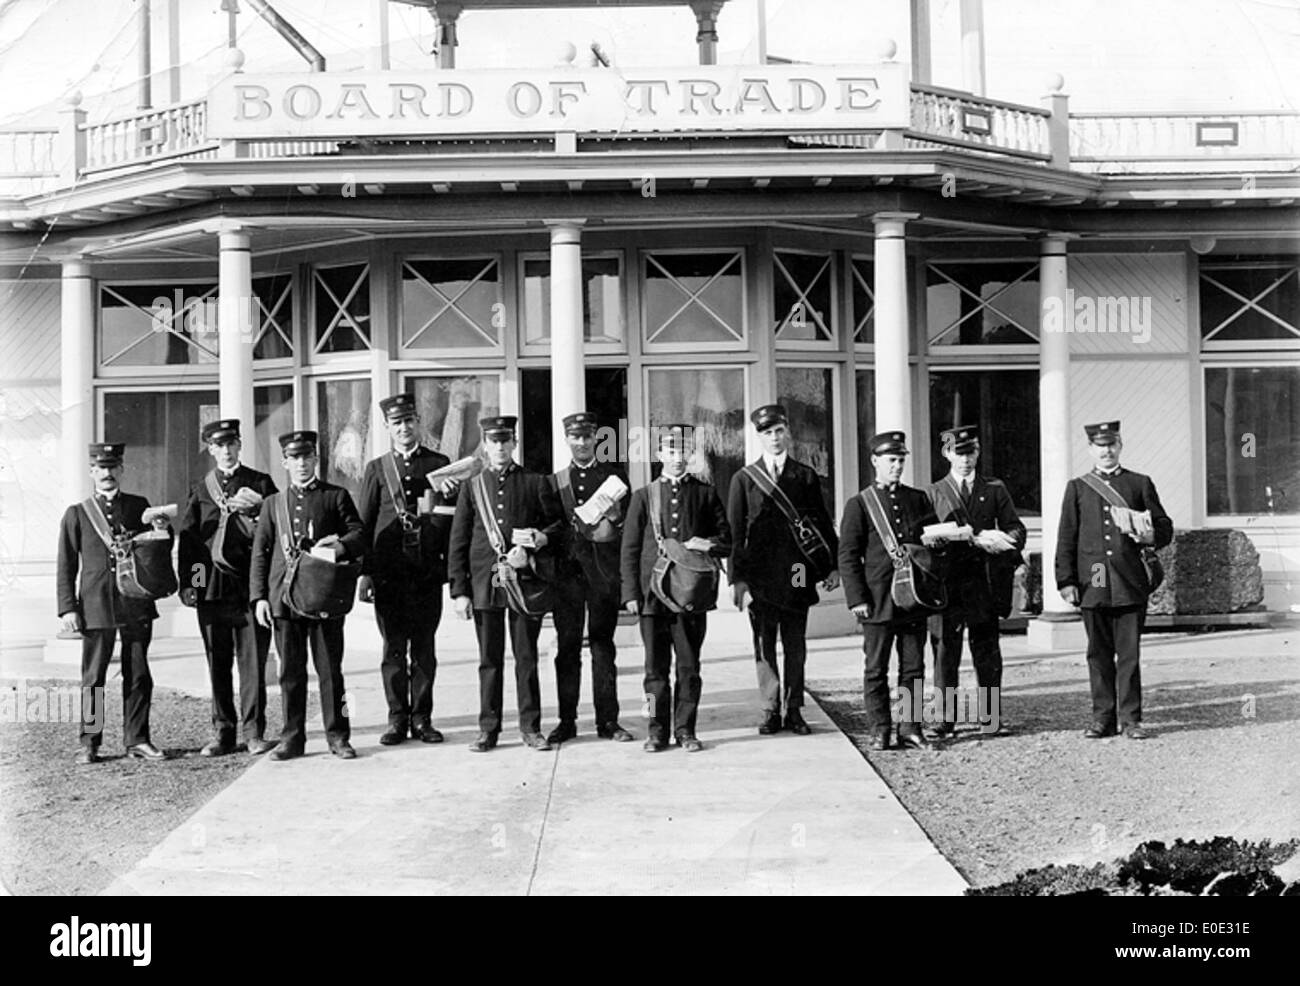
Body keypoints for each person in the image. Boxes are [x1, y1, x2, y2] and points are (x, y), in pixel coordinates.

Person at [448, 415, 564, 753]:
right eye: (493, 441)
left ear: (514, 443)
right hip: (485, 585)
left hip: (523, 584)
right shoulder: (473, 486)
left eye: (505, 440)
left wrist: (538, 539)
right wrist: (459, 590)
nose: (500, 447)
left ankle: (530, 728)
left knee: (526, 658)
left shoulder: (534, 482)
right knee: (489, 660)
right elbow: (459, 541)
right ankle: (489, 729)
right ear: (485, 445)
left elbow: (558, 527)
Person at [250, 430, 365, 760]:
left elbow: (359, 534)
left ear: (316, 460)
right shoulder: (274, 504)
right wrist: (259, 597)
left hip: (324, 597)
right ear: (285, 462)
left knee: (331, 671)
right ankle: (292, 738)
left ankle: (339, 735)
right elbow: (261, 553)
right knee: (290, 673)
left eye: (307, 457)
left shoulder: (336, 496)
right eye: (294, 458)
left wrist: (339, 546)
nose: (301, 463)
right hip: (285, 600)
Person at [1055, 420, 1173, 740]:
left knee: (1130, 655)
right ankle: (1102, 718)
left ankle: (1131, 719)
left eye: (1111, 445)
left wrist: (1148, 533)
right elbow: (1067, 536)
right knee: (1098, 654)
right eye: (1100, 446)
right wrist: (1066, 581)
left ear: (1120, 446)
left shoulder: (1139, 483)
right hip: (1094, 580)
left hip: (1129, 580)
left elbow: (1164, 528)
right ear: (1090, 449)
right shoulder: (1078, 487)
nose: (1106, 451)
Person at [56, 443, 173, 764]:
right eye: (100, 468)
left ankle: (137, 739)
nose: (107, 474)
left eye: (113, 467)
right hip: (95, 605)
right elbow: (66, 565)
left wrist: (162, 528)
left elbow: (159, 548)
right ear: (92, 472)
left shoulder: (140, 506)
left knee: (138, 674)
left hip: (135, 602)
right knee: (93, 677)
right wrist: (68, 608)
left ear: (121, 470)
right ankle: (89, 742)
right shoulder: (77, 514)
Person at [727, 404, 839, 736]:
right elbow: (735, 535)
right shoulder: (744, 479)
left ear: (787, 432)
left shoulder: (805, 476)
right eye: (767, 433)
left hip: (796, 572)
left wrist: (831, 566)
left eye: (779, 431)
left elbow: (822, 523)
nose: (774, 438)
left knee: (795, 643)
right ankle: (769, 708)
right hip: (759, 575)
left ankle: (794, 709)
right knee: (764, 644)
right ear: (758, 437)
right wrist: (738, 580)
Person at [620, 425, 731, 753]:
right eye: (671, 451)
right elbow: (629, 550)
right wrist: (630, 594)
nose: (677, 458)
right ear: (659, 455)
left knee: (689, 667)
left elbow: (728, 541)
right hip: (652, 597)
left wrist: (708, 544)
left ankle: (686, 730)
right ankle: (654, 730)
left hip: (690, 597)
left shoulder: (705, 493)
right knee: (653, 672)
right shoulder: (643, 496)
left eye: (683, 451)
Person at [357, 393, 459, 746]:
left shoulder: (439, 463)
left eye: (409, 421)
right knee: (393, 650)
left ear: (418, 423)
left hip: (426, 573)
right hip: (389, 574)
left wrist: (449, 496)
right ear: (388, 427)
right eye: (397, 423)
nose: (404, 428)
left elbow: (454, 520)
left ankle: (423, 719)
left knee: (425, 650)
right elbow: (365, 525)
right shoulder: (376, 469)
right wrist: (366, 574)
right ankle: (397, 719)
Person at [178, 419, 279, 757]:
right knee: (217, 662)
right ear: (210, 449)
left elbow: (277, 534)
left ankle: (254, 732)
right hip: (211, 589)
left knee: (252, 663)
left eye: (231, 443)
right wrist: (192, 586)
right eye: (218, 445)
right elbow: (191, 542)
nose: (225, 450)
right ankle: (223, 732)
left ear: (240, 445)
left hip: (249, 587)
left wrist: (256, 513)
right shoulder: (200, 488)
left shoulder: (260, 482)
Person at [838, 431, 942, 751]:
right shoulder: (860, 503)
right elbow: (848, 555)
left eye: (901, 460)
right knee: (876, 669)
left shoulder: (918, 499)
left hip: (912, 598)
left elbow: (929, 543)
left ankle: (910, 728)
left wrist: (935, 542)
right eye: (891, 460)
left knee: (913, 667)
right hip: (877, 599)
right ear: (875, 461)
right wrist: (857, 598)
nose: (897, 466)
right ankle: (880, 728)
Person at [924, 425, 1026, 741]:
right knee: (944, 652)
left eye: (970, 453)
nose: (965, 460)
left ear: (978, 453)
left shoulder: (994, 489)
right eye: (959, 453)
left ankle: (990, 717)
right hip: (947, 585)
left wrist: (1004, 540)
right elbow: (921, 536)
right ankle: (943, 718)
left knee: (987, 652)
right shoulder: (933, 492)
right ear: (946, 454)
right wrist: (937, 541)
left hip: (983, 583)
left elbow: (1016, 528)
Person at [546, 411, 634, 745]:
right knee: (567, 649)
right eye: (575, 437)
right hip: (567, 577)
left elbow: (627, 527)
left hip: (602, 575)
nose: (581, 443)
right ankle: (566, 721)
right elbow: (552, 530)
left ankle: (608, 721)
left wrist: (616, 515)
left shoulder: (614, 476)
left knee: (603, 647)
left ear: (596, 438)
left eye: (587, 436)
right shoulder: (556, 482)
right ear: (566, 439)